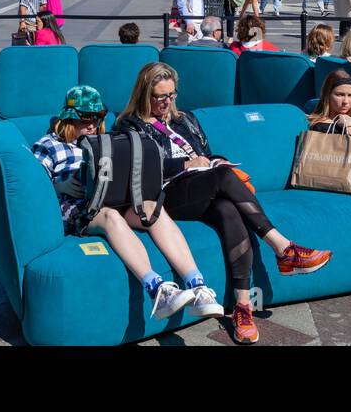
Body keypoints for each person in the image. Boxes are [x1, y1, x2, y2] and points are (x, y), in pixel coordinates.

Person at [114, 64, 333, 343]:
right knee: (223, 177)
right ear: (144, 94)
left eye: (171, 94)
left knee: (228, 210)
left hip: (199, 186)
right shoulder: (129, 125)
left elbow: (203, 153)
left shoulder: (185, 119)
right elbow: (139, 168)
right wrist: (186, 163)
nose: (166, 102)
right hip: (163, 197)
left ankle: (243, 307)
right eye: (159, 96)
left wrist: (213, 160)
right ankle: (283, 248)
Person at [30, 86, 222, 323]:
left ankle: (198, 286)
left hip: (116, 199)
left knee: (151, 208)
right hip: (81, 209)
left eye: (98, 118)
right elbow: (32, 187)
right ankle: (157, 291)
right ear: (69, 117)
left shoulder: (104, 139)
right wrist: (57, 185)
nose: (92, 124)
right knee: (110, 216)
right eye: (86, 118)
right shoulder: (47, 145)